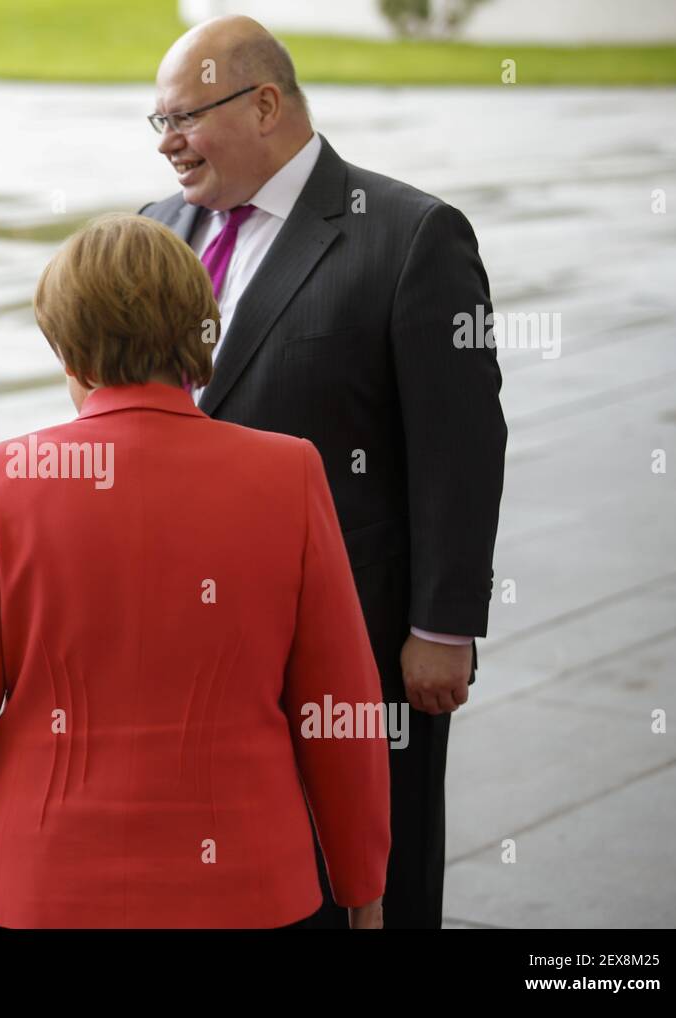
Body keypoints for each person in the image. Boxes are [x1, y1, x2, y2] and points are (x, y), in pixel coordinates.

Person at [0, 214, 390, 929]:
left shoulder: (0, 480)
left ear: (72, 349)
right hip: (247, 889)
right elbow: (340, 707)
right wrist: (362, 887)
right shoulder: (289, 473)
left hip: (40, 890)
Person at [139, 16, 507, 928]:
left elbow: (461, 445)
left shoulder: (410, 237)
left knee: (376, 870)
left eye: (184, 117)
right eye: (156, 123)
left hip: (360, 638)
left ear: (265, 103)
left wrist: (443, 625)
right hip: (196, 636)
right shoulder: (155, 232)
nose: (169, 144)